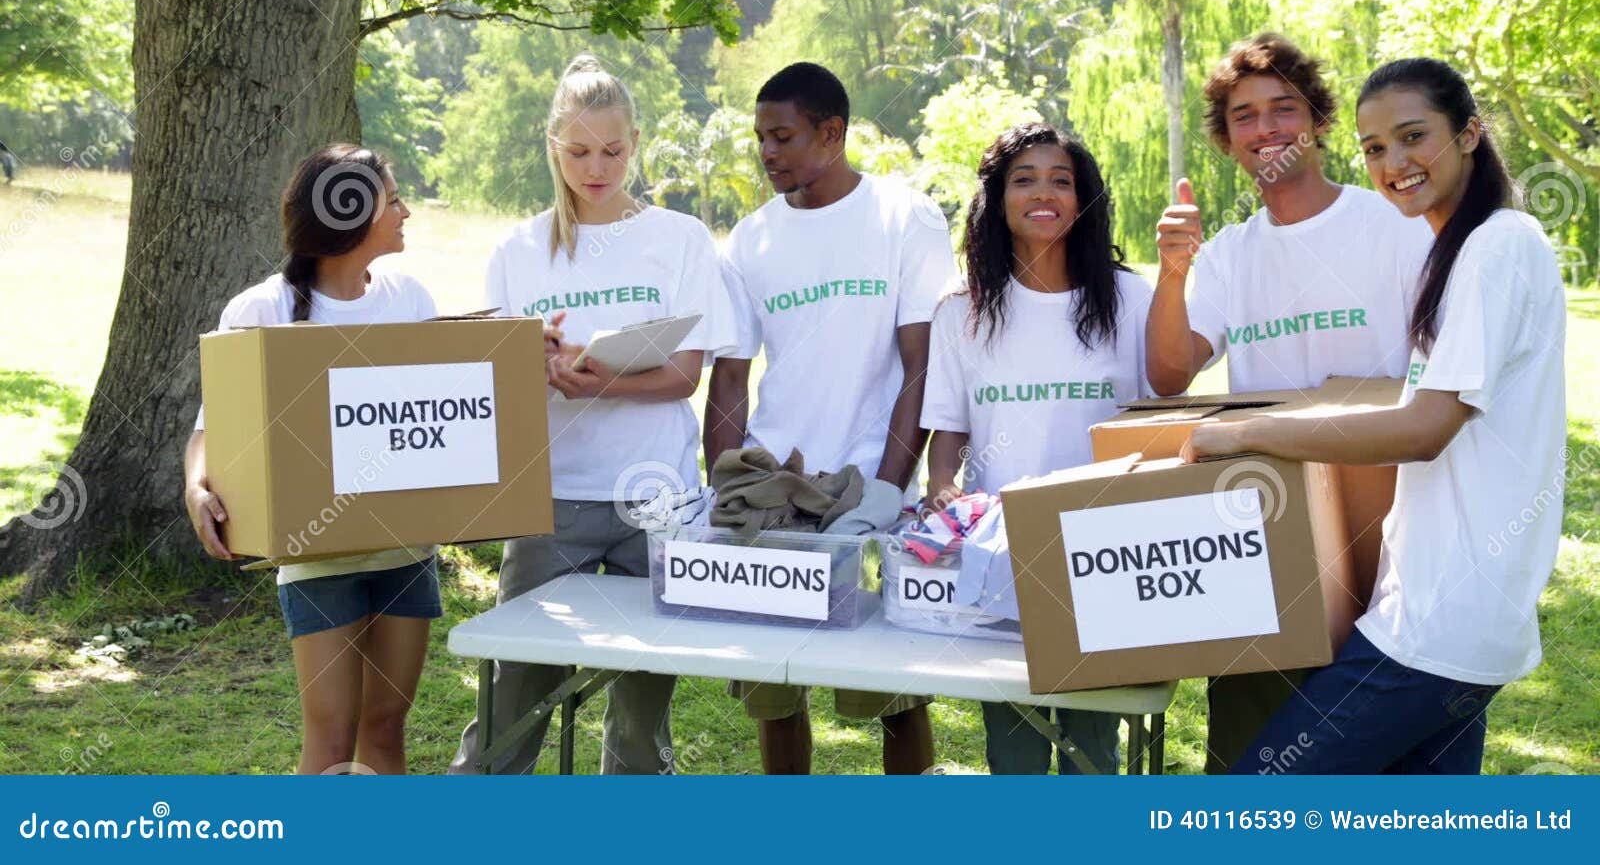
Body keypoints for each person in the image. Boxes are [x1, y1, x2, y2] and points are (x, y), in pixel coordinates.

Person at [1185, 57, 1565, 774]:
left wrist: (1245, 433)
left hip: (1436, 629)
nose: (1394, 163)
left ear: (1471, 133)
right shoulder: (1458, 252)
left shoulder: (1498, 247)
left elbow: (1424, 429)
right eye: (1374, 148)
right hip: (1440, 614)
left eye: (1413, 136)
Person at [1145, 33, 1435, 774]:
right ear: (1226, 138)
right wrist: (1175, 273)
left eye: (1284, 108)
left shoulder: (1394, 226)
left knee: (1386, 762)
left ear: (1318, 122)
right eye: (1245, 115)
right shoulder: (1230, 255)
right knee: (1251, 762)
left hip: (1395, 532)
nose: (1266, 127)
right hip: (1271, 545)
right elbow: (1171, 373)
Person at [449, 54, 738, 775]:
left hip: (657, 499)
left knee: (642, 716)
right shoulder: (517, 250)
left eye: (612, 151)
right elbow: (490, 383)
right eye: (578, 151)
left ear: (635, 143)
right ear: (552, 146)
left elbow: (684, 375)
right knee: (514, 693)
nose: (596, 167)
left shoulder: (679, 240)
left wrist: (599, 382)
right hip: (552, 497)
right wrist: (533, 360)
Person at [706, 62, 957, 774]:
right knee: (776, 691)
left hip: (871, 490)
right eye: (760, 138)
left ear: (832, 132)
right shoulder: (750, 240)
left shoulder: (904, 217)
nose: (767, 153)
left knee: (890, 693)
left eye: (782, 136)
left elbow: (924, 364)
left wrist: (887, 489)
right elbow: (730, 376)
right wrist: (720, 488)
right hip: (772, 493)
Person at [184, 144, 440, 774]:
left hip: (406, 553)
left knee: (385, 726)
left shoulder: (410, 299)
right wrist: (197, 489)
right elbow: (211, 431)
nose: (407, 211)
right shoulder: (259, 311)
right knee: (330, 737)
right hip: (315, 556)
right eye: (395, 198)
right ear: (349, 215)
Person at [922, 123, 1153, 774]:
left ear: (1084, 199)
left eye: (1062, 180)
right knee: (1015, 747)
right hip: (1004, 553)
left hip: (1107, 549)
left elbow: (1160, 417)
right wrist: (945, 492)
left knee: (1095, 749)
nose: (1043, 193)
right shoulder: (961, 311)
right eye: (1024, 179)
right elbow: (949, 436)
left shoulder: (1131, 299)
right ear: (997, 198)